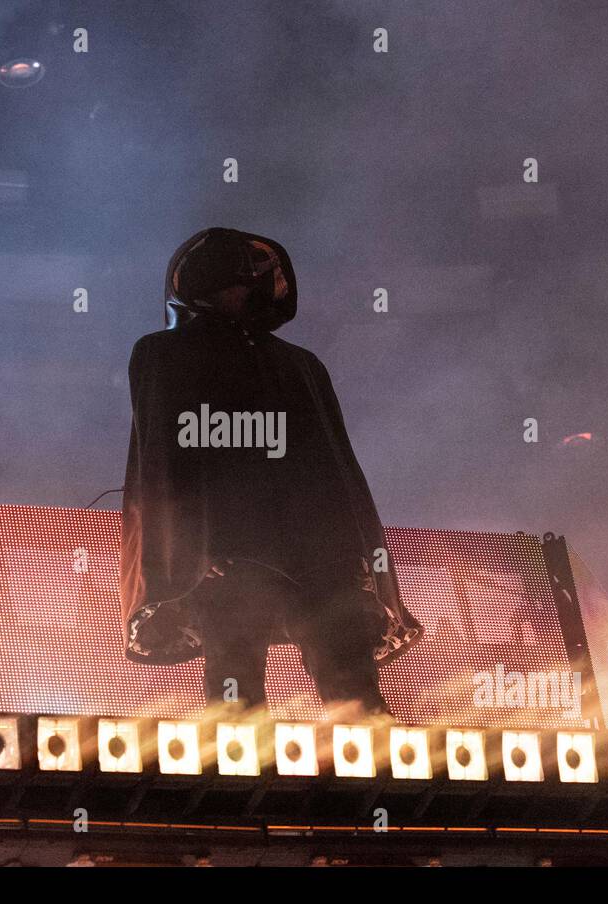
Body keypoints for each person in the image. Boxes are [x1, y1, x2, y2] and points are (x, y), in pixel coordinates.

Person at [119, 227, 421, 721]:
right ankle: (238, 794)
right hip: (230, 555)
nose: (251, 290)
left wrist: (357, 560)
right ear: (203, 285)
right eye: (233, 280)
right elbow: (164, 460)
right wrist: (192, 551)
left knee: (356, 694)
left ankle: (376, 790)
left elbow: (337, 469)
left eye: (253, 280)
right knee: (237, 695)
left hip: (319, 555)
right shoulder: (162, 353)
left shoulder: (302, 365)